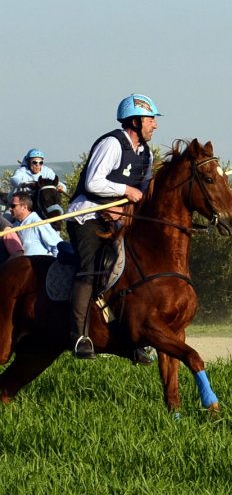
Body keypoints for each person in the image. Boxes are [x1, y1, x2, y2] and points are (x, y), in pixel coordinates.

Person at [66, 93, 160, 358]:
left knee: (133, 270)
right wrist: (126, 191)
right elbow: (93, 183)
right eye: (150, 119)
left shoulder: (146, 153)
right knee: (90, 269)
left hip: (117, 220)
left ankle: (129, 338)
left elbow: (141, 192)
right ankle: (78, 337)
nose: (155, 125)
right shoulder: (112, 144)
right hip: (87, 216)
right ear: (134, 121)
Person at [8, 192, 61, 257]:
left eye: (13, 206)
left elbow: (58, 247)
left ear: (24, 207)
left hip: (39, 265)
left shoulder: (38, 223)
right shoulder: (13, 226)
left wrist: (53, 266)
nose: (10, 209)